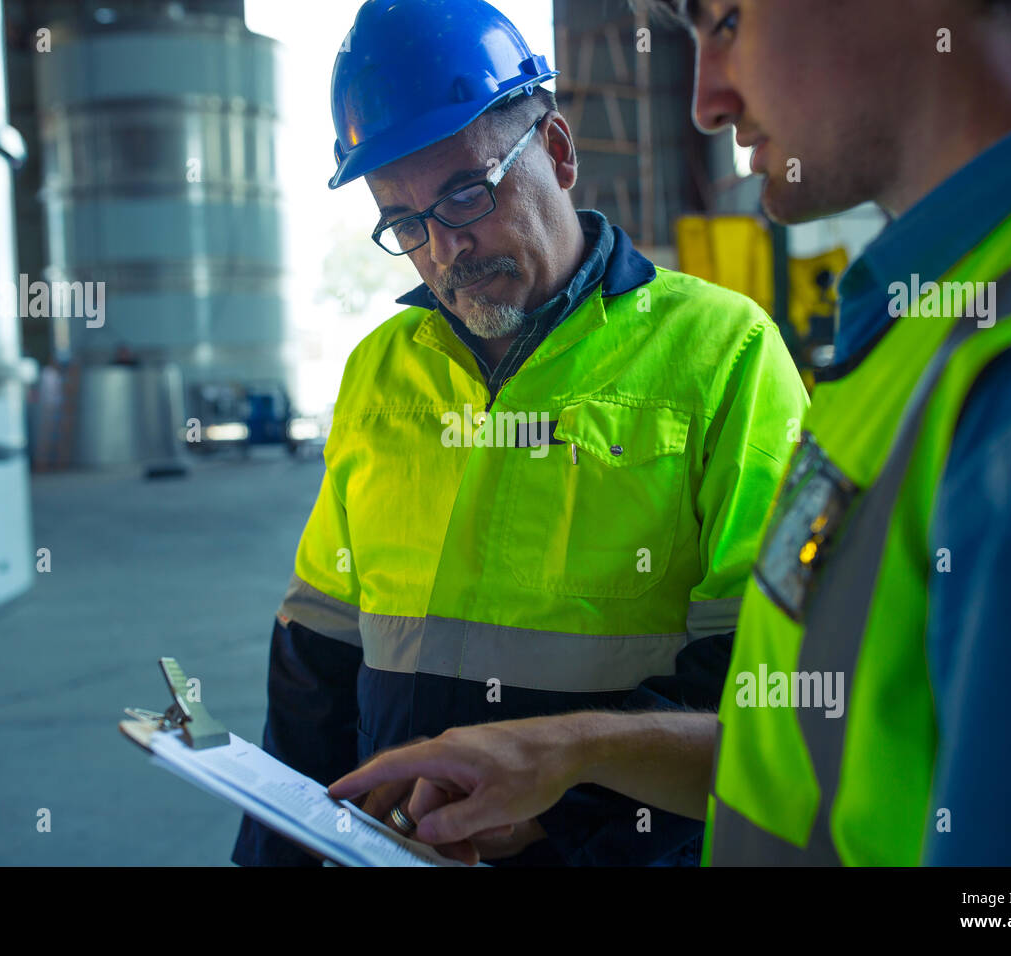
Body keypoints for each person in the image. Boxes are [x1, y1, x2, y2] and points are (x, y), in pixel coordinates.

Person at [329, 0, 1011, 866]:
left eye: (725, 21)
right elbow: (792, 743)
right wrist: (570, 754)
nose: (707, 103)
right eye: (408, 223)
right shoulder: (920, 327)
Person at [231, 0, 808, 867]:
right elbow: (318, 652)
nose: (446, 249)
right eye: (406, 222)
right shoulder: (380, 370)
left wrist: (561, 813)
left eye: (467, 193)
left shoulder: (725, 351)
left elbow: (758, 673)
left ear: (559, 152)